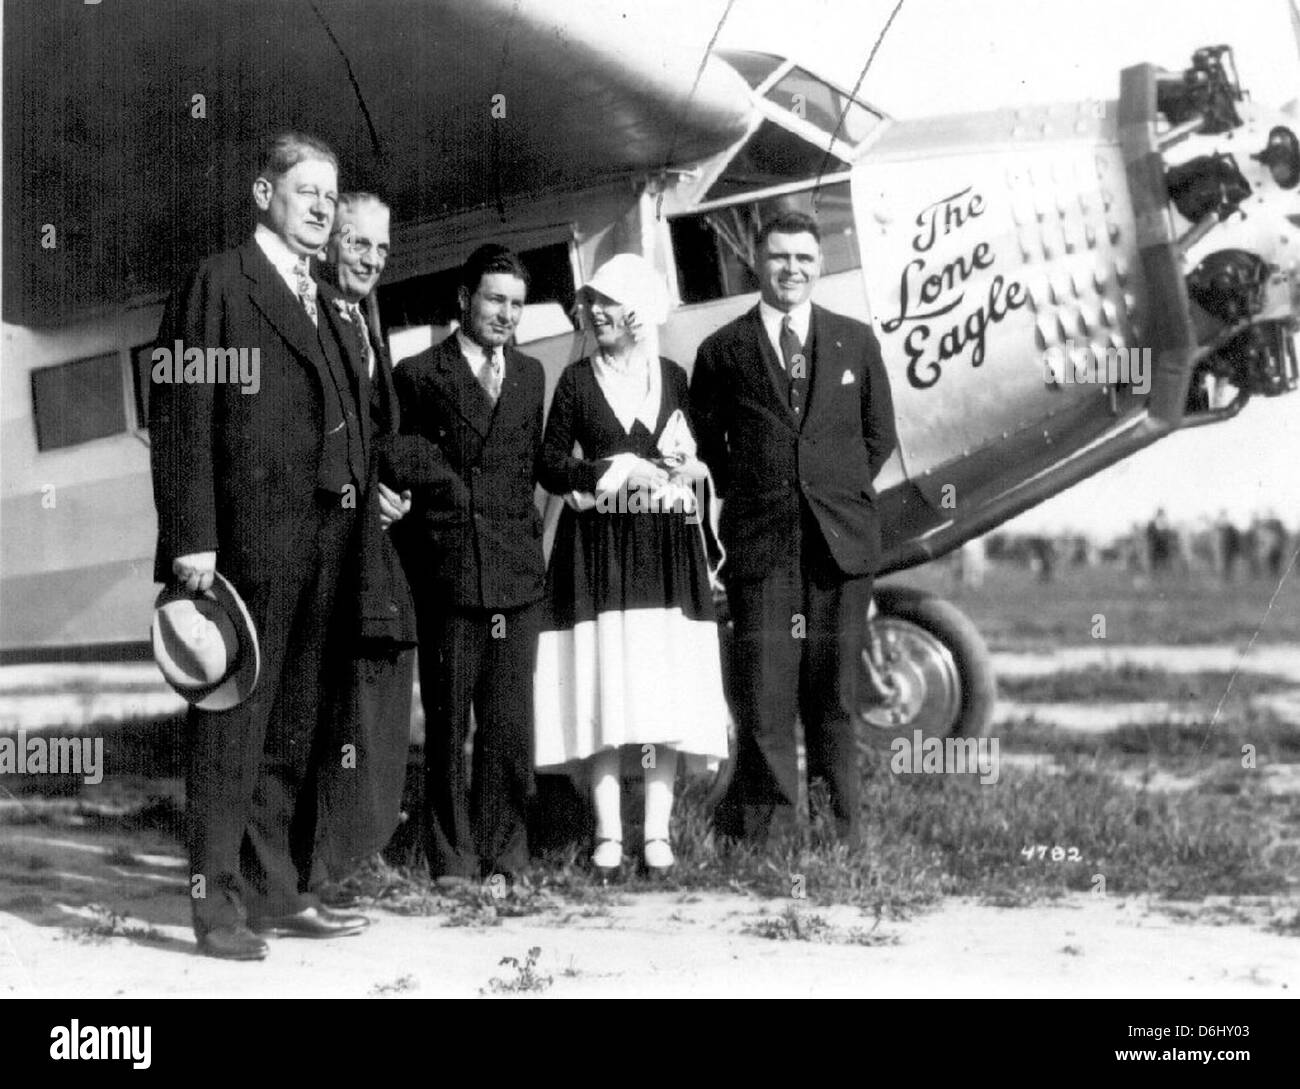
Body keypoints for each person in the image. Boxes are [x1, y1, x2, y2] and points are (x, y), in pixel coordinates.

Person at [149, 131, 371, 959]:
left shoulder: (324, 298)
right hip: (242, 544)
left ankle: (275, 890)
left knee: (292, 725)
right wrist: (192, 535)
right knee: (230, 724)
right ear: (262, 196)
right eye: (305, 189)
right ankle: (214, 907)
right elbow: (179, 412)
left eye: (330, 193)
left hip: (321, 538)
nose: (321, 205)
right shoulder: (221, 281)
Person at [690, 211, 897, 848]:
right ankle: (767, 837)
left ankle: (840, 834)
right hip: (762, 548)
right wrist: (761, 491)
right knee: (765, 698)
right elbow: (707, 446)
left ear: (820, 264)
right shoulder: (721, 349)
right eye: (780, 257)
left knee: (833, 697)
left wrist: (829, 490)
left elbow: (878, 436)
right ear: (758, 262)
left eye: (804, 258)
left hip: (840, 547)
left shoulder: (854, 341)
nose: (792, 270)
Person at [534, 254, 730, 877]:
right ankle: (608, 834)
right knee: (602, 683)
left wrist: (689, 466)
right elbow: (549, 465)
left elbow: (699, 458)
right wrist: (610, 470)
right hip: (598, 553)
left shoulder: (672, 377)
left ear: (638, 310)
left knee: (658, 689)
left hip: (666, 552)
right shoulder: (576, 381)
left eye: (606, 303)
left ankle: (656, 834)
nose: (594, 312)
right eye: (590, 302)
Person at [391, 244, 546, 884]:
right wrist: (445, 489)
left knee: (509, 729)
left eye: (515, 303)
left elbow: (532, 466)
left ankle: (504, 856)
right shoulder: (420, 373)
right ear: (464, 298)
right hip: (450, 573)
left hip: (515, 575)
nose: (505, 314)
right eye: (494, 299)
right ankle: (450, 858)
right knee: (451, 725)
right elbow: (395, 454)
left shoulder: (532, 375)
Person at [309, 193, 418, 891]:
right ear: (329, 245)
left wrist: (390, 490)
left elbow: (373, 432)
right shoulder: (315, 314)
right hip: (327, 539)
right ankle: (315, 864)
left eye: (381, 249)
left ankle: (350, 849)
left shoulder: (363, 320)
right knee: (327, 702)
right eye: (359, 244)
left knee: (372, 683)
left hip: (368, 544)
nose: (372, 260)